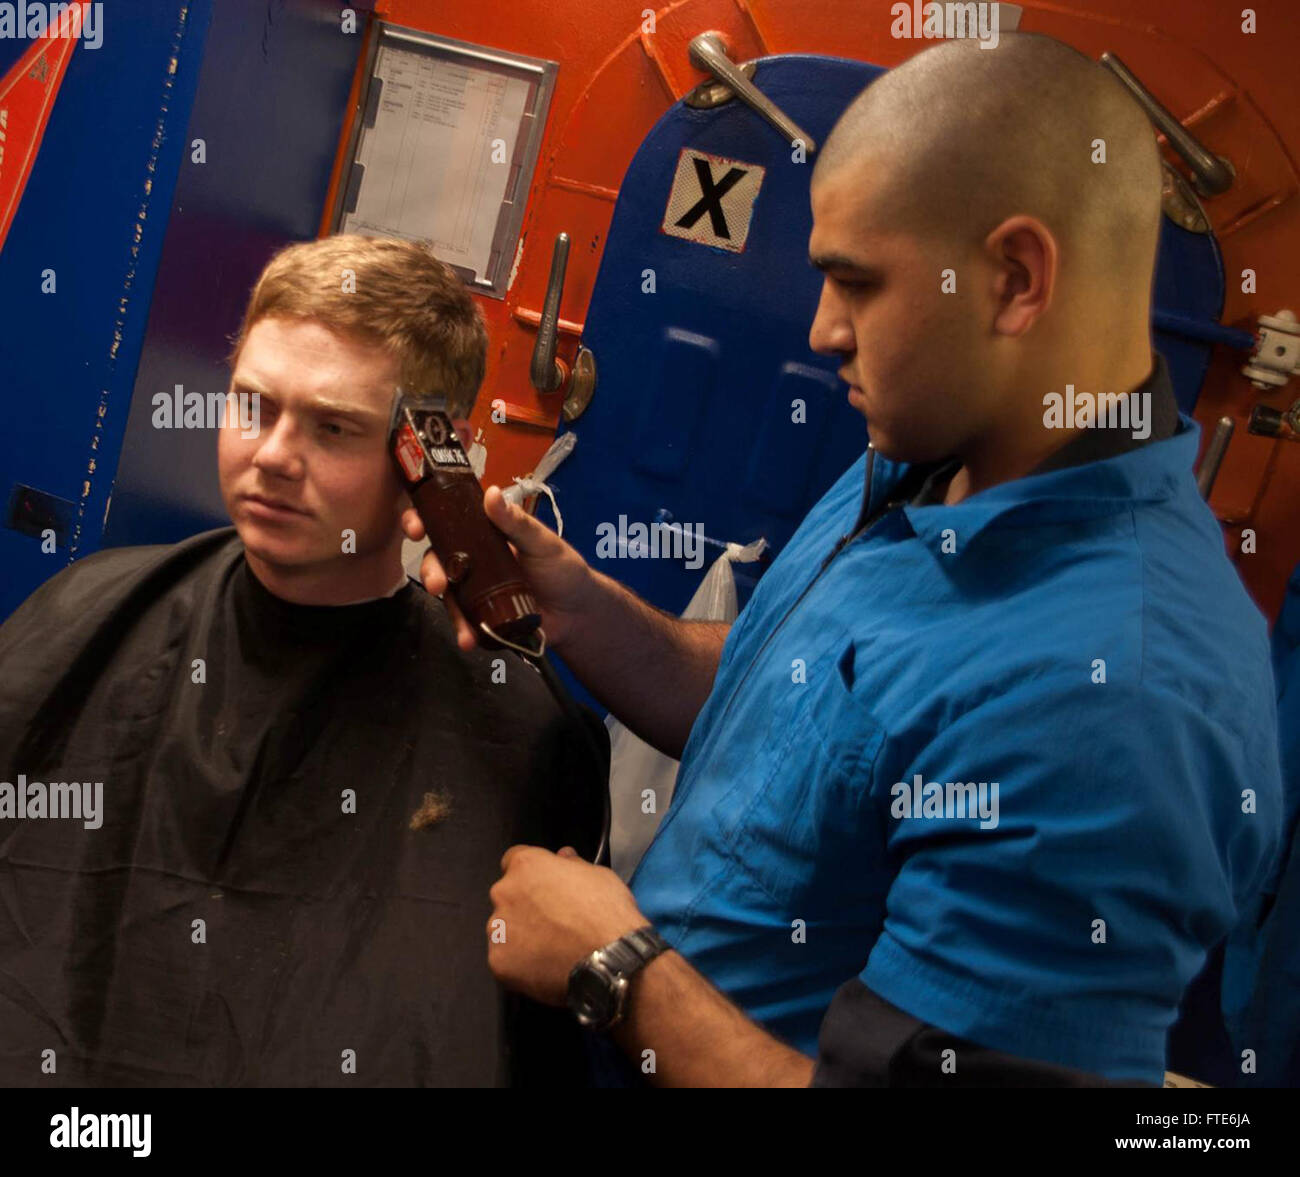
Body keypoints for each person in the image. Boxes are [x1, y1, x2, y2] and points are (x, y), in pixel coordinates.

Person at [406, 32, 1283, 1086]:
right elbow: (792, 721)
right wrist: (578, 604)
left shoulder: (1110, 696)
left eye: (854, 284)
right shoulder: (933, 448)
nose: (822, 331)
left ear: (1013, 278)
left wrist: (618, 972)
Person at [0, 234, 606, 1087]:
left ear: (431, 456)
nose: (274, 454)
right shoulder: (85, 612)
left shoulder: (511, 724)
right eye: (253, 405)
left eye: (332, 427)